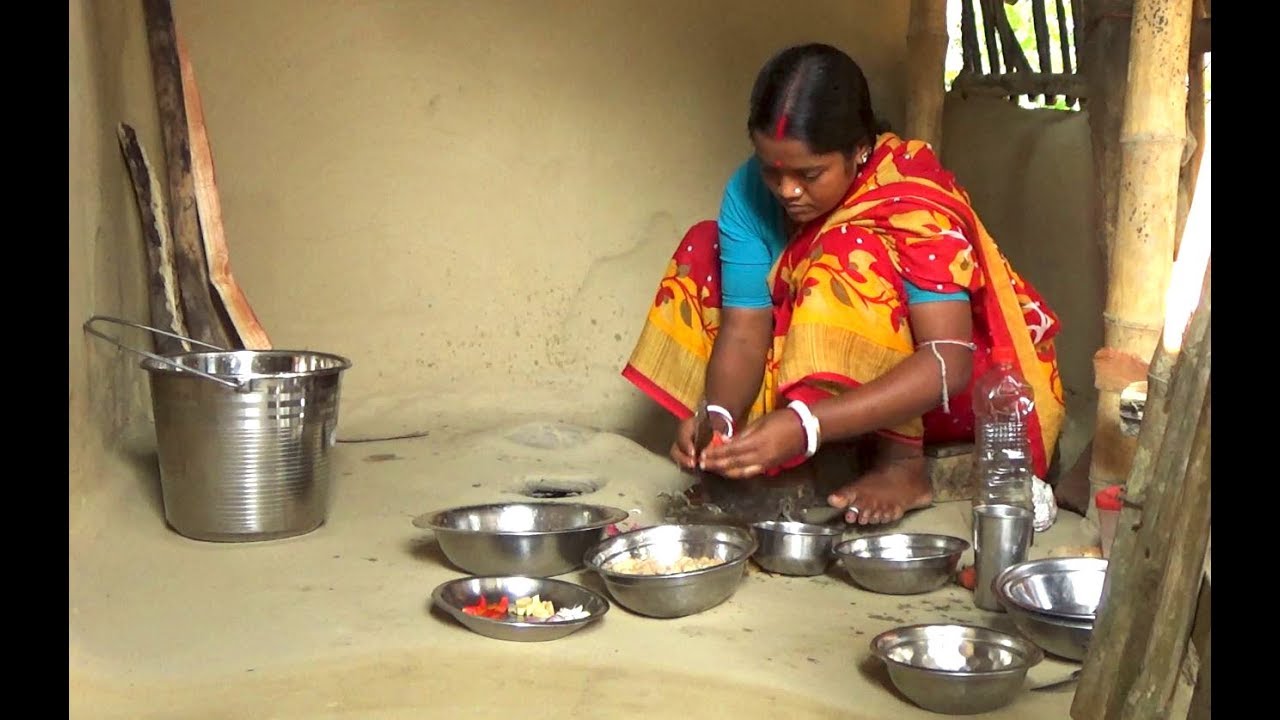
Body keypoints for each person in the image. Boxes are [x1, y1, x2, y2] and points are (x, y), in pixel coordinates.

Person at [621, 43, 1065, 526]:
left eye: (809, 174)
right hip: (822, 402)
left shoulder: (908, 197)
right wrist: (720, 416)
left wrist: (806, 425)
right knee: (702, 250)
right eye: (773, 170)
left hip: (949, 395)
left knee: (843, 252)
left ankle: (901, 466)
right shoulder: (749, 192)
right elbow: (745, 330)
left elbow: (948, 361)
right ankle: (772, 440)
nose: (787, 190)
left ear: (860, 149)